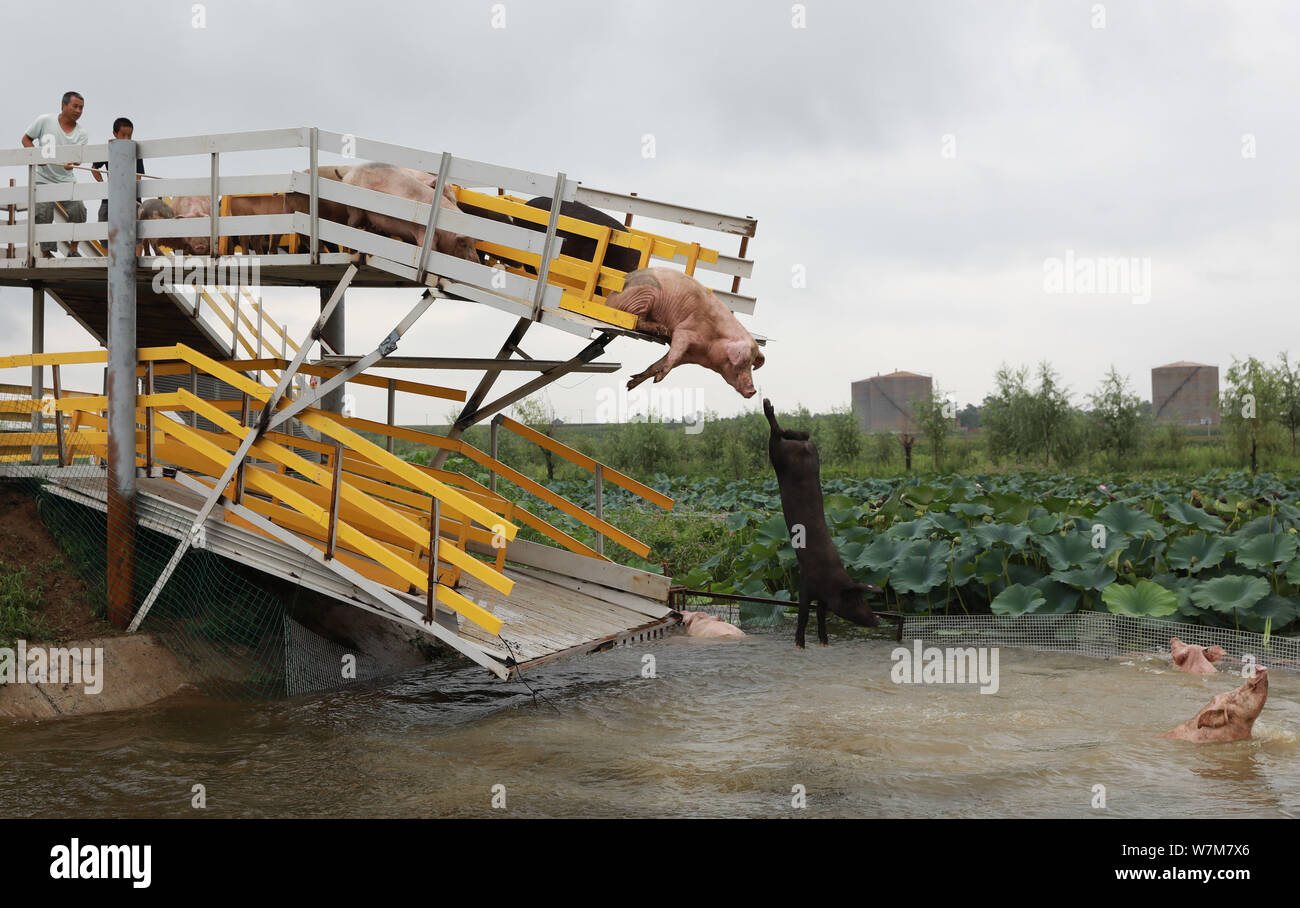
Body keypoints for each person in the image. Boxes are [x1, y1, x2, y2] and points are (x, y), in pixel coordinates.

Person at [21, 92, 89, 256]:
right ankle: (46, 253)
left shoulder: (82, 134)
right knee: (43, 212)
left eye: (81, 108)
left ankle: (73, 249)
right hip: (42, 178)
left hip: (66, 178)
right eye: (75, 106)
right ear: (63, 106)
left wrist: (71, 165)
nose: (78, 111)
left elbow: (77, 160)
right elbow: (26, 139)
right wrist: (38, 155)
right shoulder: (45, 120)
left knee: (79, 209)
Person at [91, 117, 144, 222]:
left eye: (129, 135)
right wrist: (102, 183)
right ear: (115, 134)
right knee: (103, 225)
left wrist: (132, 192)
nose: (126, 139)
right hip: (109, 197)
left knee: (133, 229)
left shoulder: (135, 151)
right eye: (123, 135)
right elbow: (94, 168)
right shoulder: (108, 150)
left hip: (131, 198)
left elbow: (138, 176)